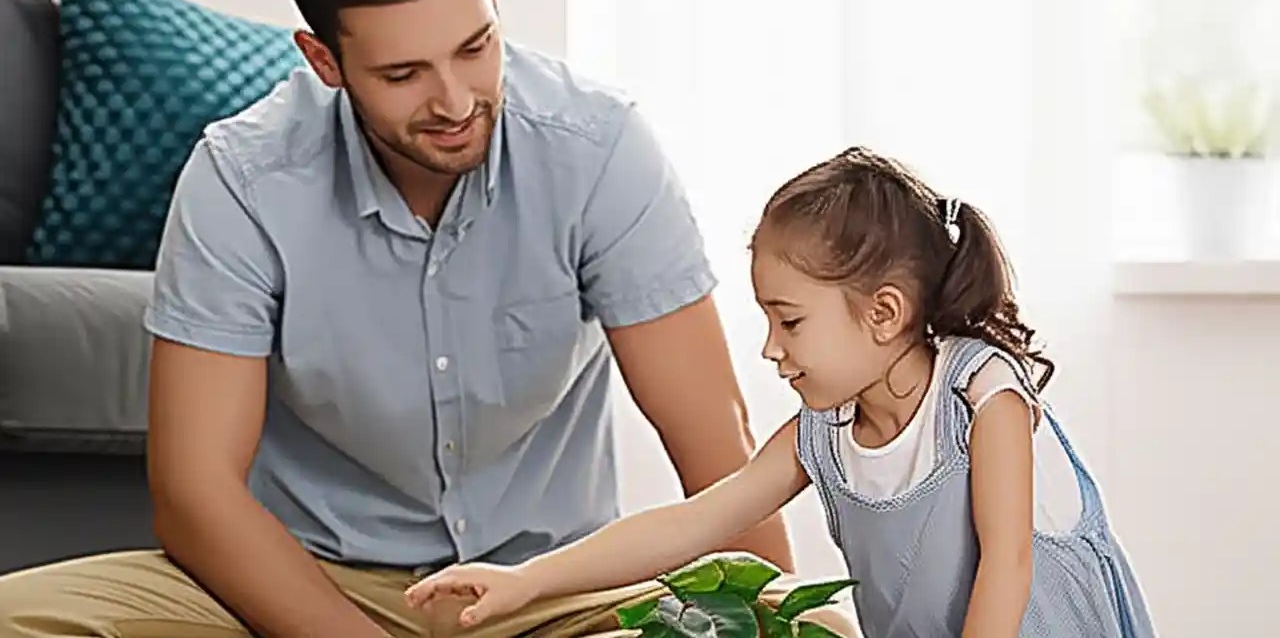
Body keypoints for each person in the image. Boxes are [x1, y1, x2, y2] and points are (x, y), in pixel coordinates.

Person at [0, 0, 798, 636]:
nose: (455, 100)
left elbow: (716, 449)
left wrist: (779, 623)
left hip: (554, 588)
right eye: (403, 73)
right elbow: (194, 491)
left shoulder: (599, 148)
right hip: (308, 585)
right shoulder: (241, 180)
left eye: (475, 47)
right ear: (324, 61)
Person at [404, 147, 1159, 638]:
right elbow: (694, 523)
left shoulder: (983, 396)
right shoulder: (823, 433)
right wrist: (526, 581)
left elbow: (1009, 565)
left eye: (789, 321)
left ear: (885, 312)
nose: (771, 348)